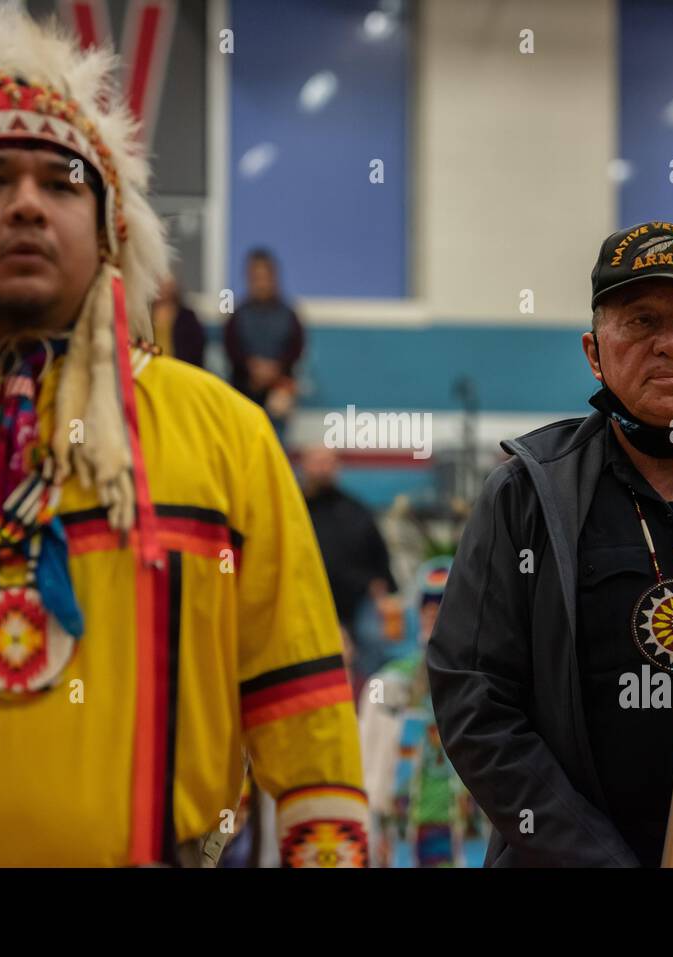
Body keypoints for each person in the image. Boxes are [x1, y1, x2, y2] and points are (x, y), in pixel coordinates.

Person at [0, 2, 366, 868]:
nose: (28, 206)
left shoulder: (223, 433)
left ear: (109, 229)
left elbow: (302, 713)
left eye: (62, 182)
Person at [429, 221, 673, 867]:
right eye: (642, 321)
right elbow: (474, 699)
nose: (672, 345)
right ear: (594, 351)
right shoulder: (524, 494)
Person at [359, 557, 487, 867]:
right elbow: (368, 774)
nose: (434, 612)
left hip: (469, 840)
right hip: (403, 840)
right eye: (427, 604)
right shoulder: (386, 686)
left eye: (444, 602)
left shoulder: (487, 686)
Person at [298, 445, 401, 687]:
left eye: (329, 462)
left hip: (357, 606)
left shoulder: (355, 510)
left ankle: (367, 705)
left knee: (373, 640)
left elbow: (380, 560)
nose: (323, 469)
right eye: (317, 462)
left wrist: (383, 592)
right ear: (304, 465)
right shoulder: (293, 509)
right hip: (308, 604)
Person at [224, 248, 304, 433]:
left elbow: (296, 348)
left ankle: (277, 457)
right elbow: (232, 349)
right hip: (245, 385)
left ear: (274, 278)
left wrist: (275, 370)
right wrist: (252, 368)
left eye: (265, 277)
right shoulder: (238, 314)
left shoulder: (288, 314)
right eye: (255, 277)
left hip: (280, 384)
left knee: (279, 407)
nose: (261, 283)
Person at [151, 275, 206, 368]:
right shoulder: (145, 315)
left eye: (166, 284)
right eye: (160, 283)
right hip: (152, 368)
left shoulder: (187, 317)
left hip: (179, 368)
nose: (163, 288)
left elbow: (196, 348)